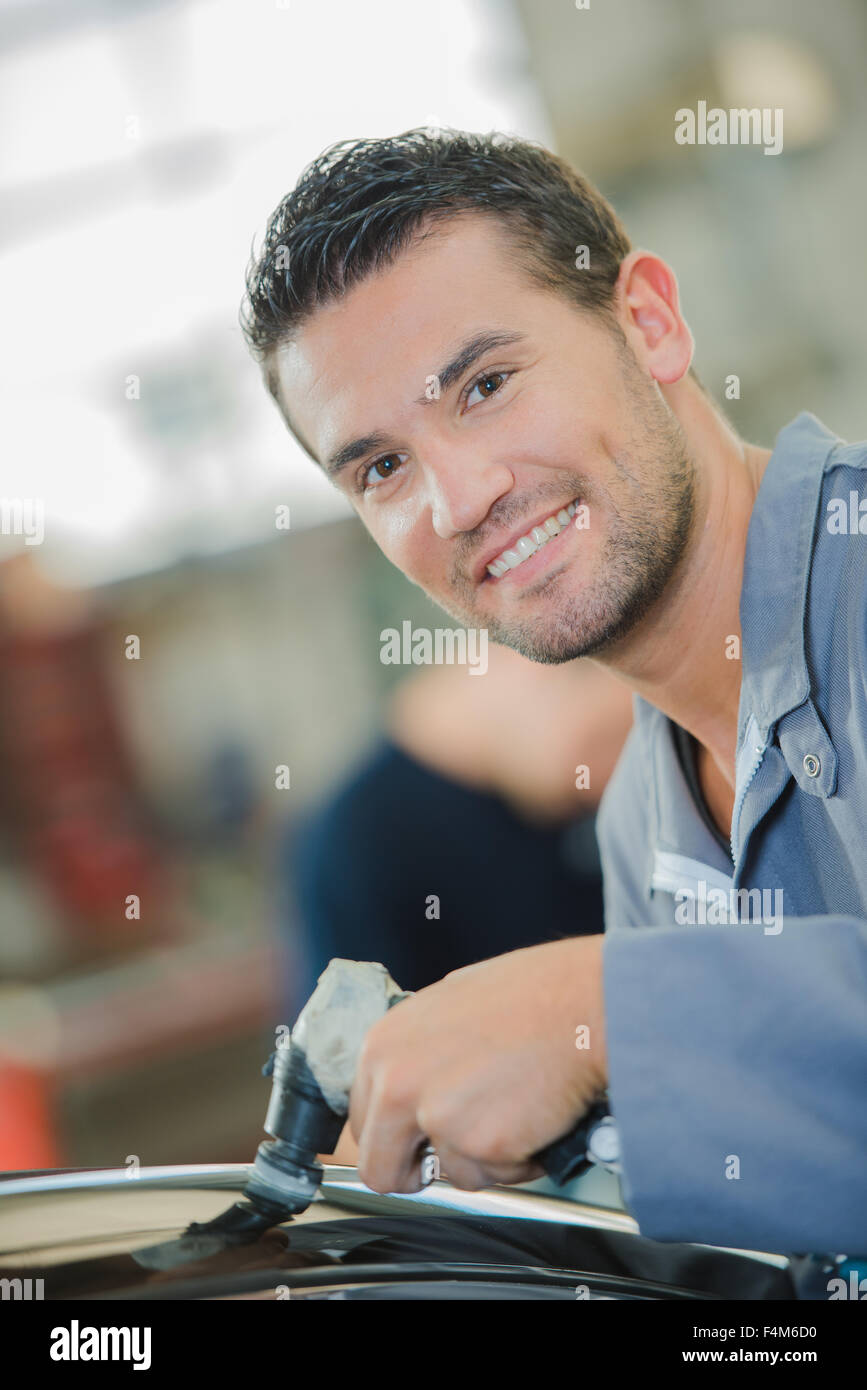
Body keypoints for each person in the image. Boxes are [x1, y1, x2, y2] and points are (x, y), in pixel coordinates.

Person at [240, 130, 867, 1258]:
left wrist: (610, 1011)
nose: (461, 497)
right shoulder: (644, 821)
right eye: (382, 467)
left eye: (486, 385)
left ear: (651, 324)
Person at [287, 647, 632, 996]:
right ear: (534, 668)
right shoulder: (353, 845)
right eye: (611, 742)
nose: (611, 777)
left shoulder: (572, 804)